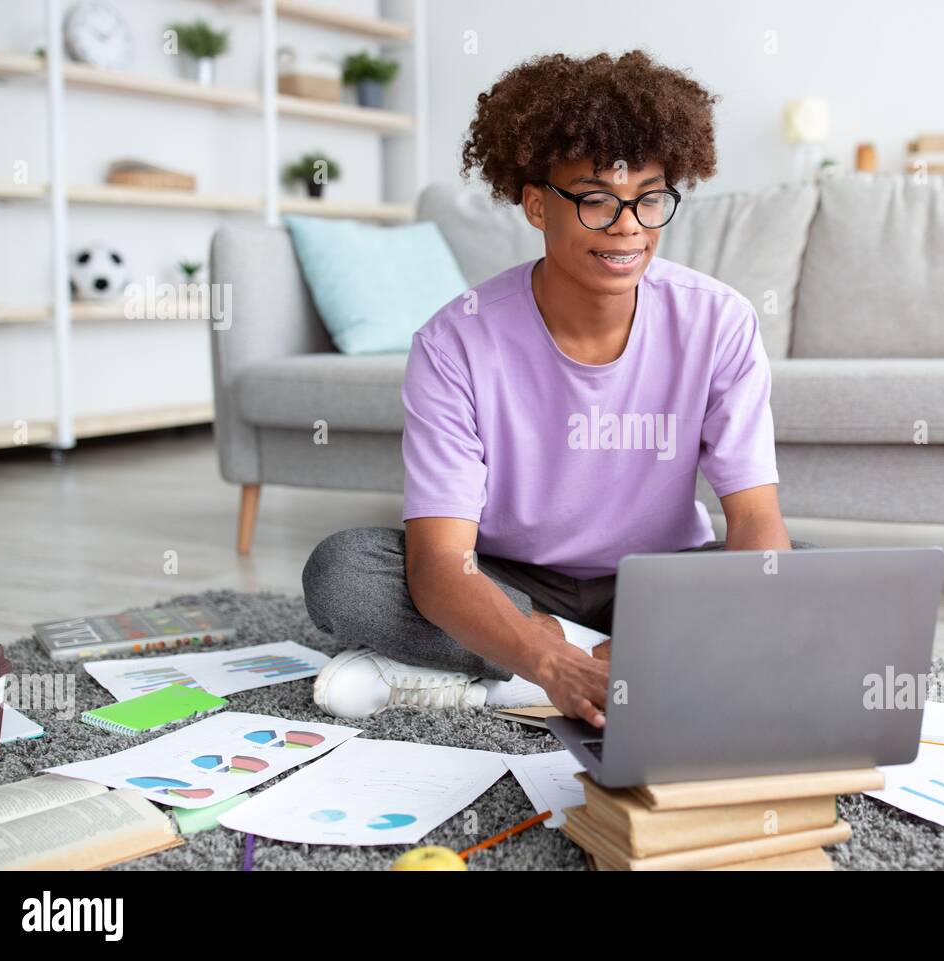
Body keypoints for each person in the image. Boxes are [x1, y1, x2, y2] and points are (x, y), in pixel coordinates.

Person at [303, 50, 806, 727]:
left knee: (802, 575)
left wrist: (746, 601)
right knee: (344, 572)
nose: (629, 224)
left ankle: (509, 669)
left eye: (650, 198)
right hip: (510, 581)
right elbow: (441, 564)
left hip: (658, 581)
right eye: (597, 200)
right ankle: (611, 667)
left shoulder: (718, 321)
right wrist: (549, 661)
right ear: (538, 205)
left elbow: (753, 520)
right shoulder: (455, 342)